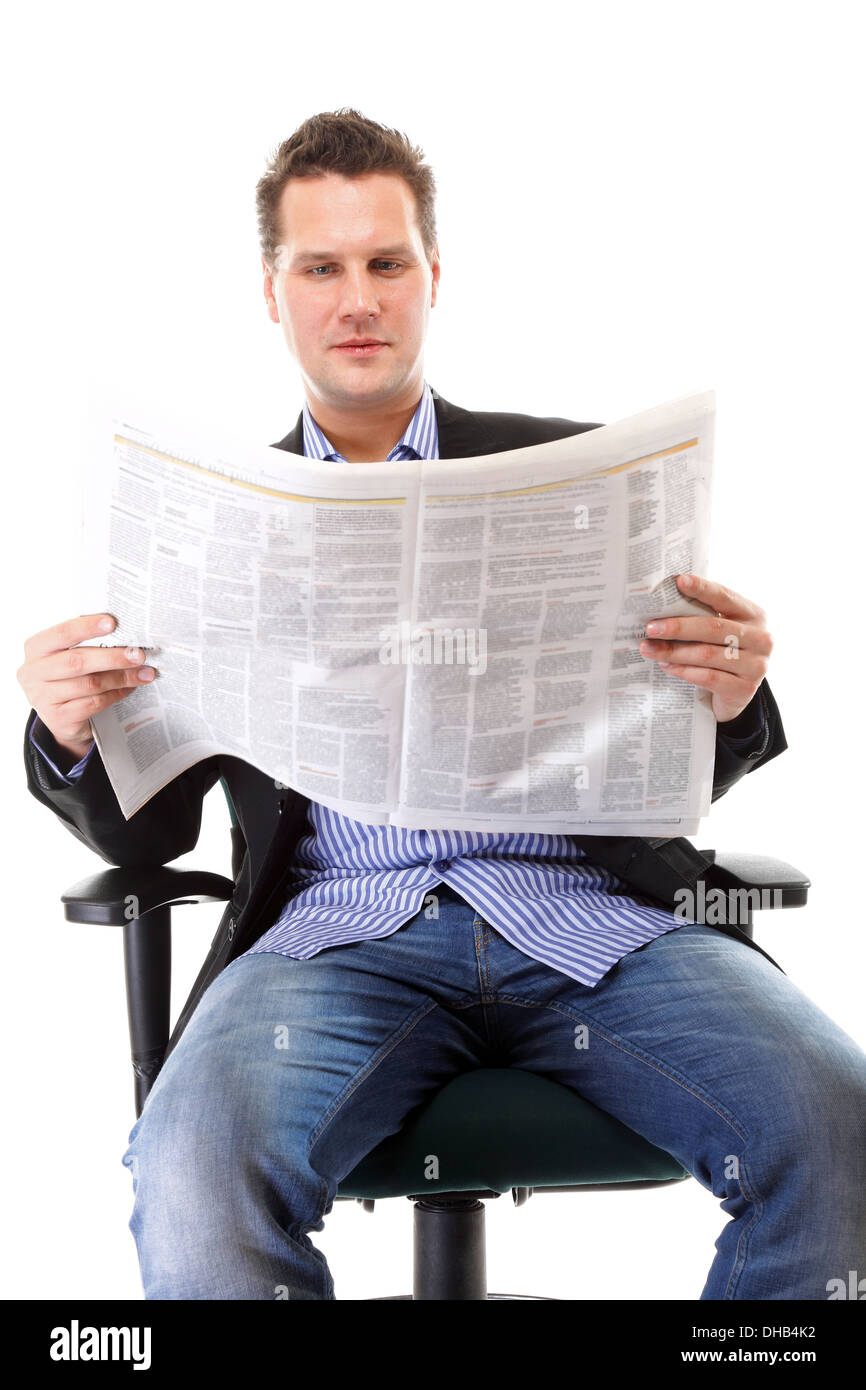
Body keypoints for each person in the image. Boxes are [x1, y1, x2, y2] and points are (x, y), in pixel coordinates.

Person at [18, 108, 866, 1301]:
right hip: (332, 938)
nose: (355, 297)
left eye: (384, 262)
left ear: (431, 277)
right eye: (321, 267)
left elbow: (667, 749)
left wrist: (728, 690)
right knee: (196, 1171)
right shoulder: (220, 517)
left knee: (838, 1126)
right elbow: (154, 830)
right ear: (274, 291)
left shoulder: (572, 472)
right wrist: (68, 736)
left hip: (588, 926)